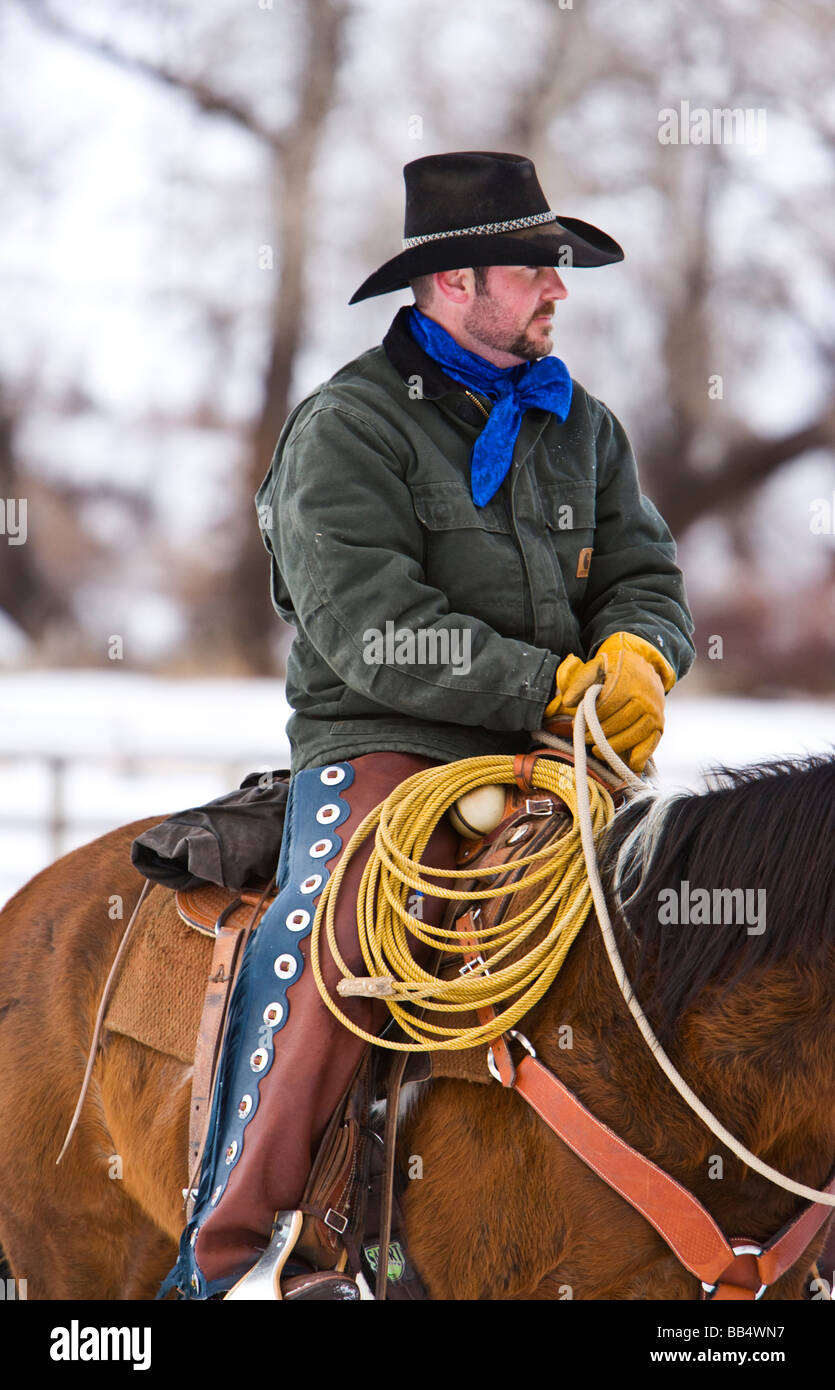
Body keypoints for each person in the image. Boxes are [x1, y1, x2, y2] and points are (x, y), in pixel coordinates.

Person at [168, 150, 695, 1299]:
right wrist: (554, 686)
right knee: (347, 936)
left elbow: (646, 573)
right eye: (536, 267)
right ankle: (236, 1260)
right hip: (382, 740)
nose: (560, 288)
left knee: (679, 923)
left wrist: (639, 653)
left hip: (556, 752)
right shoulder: (348, 429)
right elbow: (372, 627)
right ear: (454, 283)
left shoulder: (586, 427)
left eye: (559, 268)